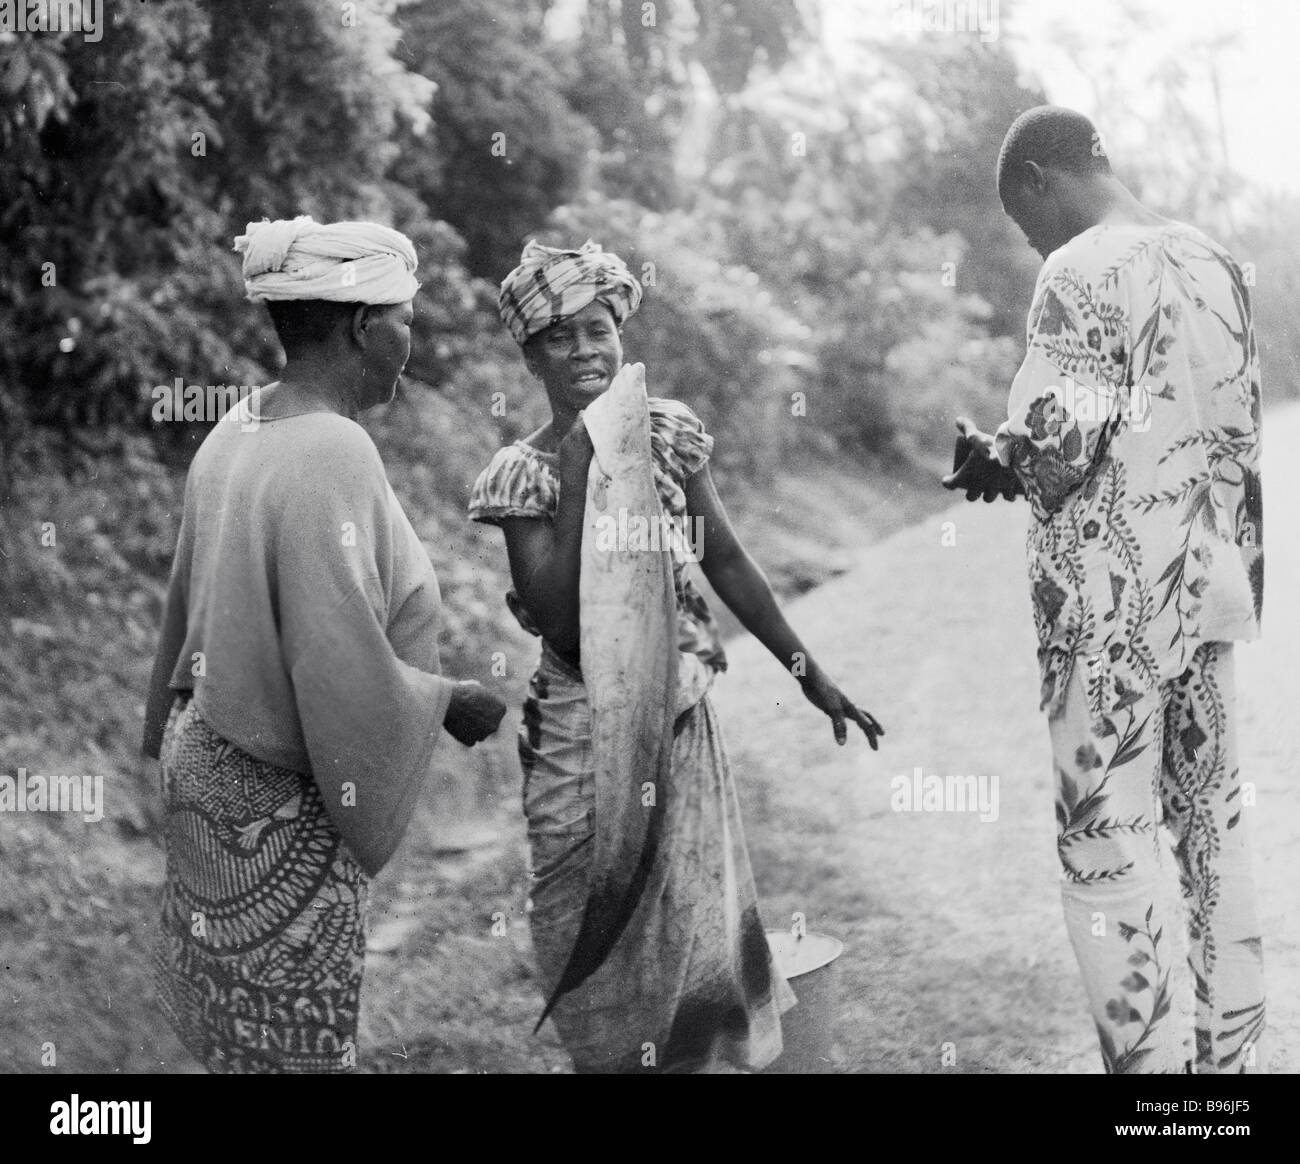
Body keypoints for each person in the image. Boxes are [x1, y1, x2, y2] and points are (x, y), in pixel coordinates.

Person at [469, 240, 884, 1073]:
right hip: (580, 734)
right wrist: (587, 461)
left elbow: (726, 560)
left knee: (692, 937)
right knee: (579, 921)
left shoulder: (667, 435)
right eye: (560, 336)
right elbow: (560, 620)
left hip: (680, 720)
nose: (585, 350)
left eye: (598, 330)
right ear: (529, 353)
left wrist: (814, 677)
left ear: (621, 334)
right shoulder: (524, 475)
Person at [141, 215, 506, 1073]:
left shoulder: (235, 427)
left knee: (234, 1037)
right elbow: (334, 652)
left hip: (202, 763)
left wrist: (153, 727)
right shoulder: (333, 449)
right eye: (407, 321)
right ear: (360, 327)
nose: (410, 344)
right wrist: (446, 698)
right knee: (297, 1047)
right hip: (271, 797)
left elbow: (186, 605)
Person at [944, 107, 1265, 1074]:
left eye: (1023, 217)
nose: (1031, 239)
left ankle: (1154, 1092)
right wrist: (1240, 586)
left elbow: (1054, 459)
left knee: (1106, 851)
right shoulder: (1214, 261)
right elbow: (1239, 448)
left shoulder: (1078, 269)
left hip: (1106, 613)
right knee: (1213, 833)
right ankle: (1229, 1081)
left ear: (1042, 178)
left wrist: (989, 458)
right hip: (1206, 595)